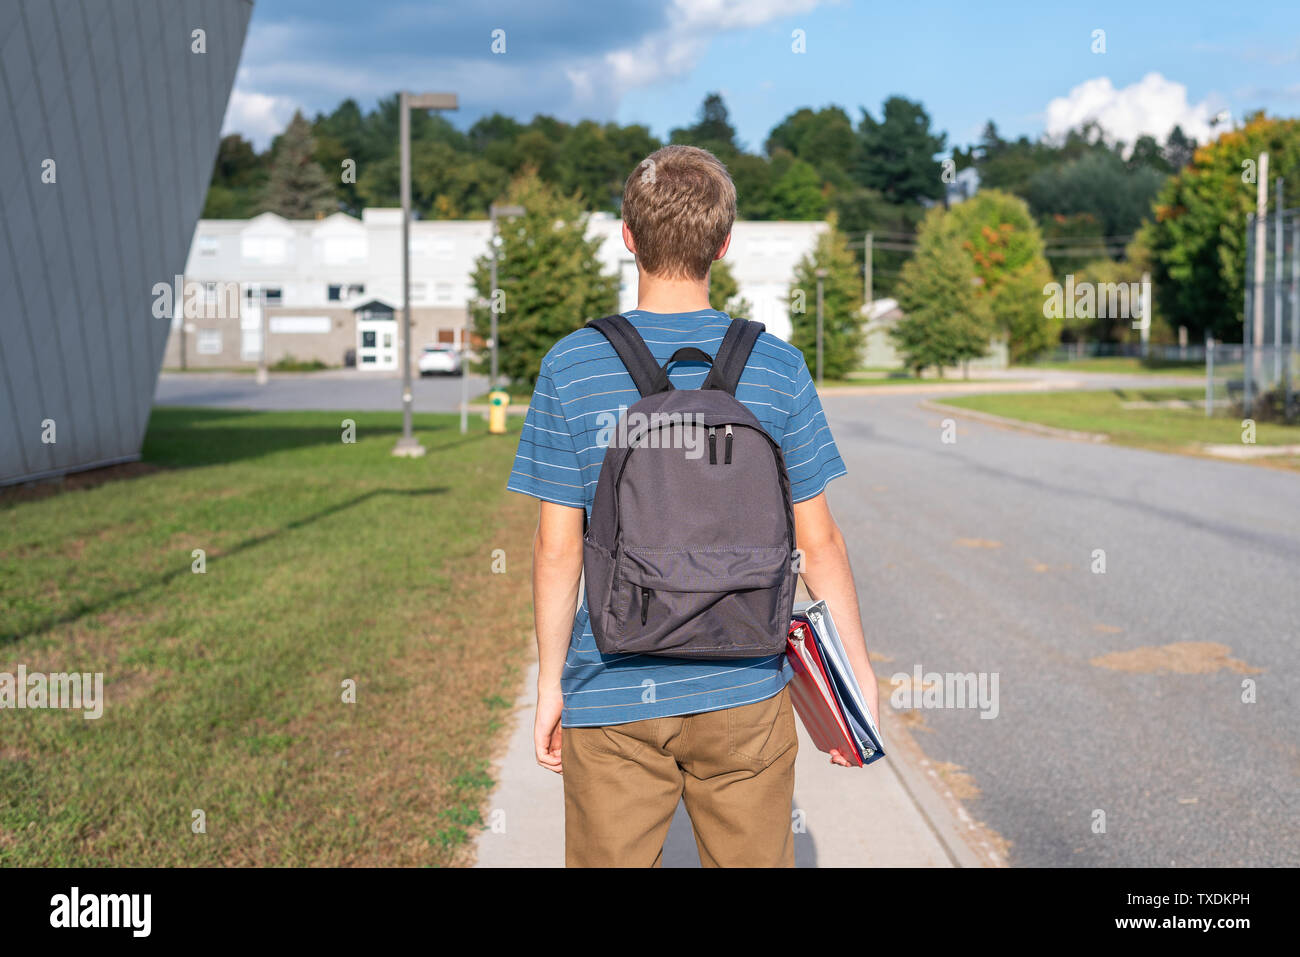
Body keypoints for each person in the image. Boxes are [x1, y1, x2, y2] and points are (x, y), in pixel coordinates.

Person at [506, 144, 879, 867]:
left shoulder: (572, 365)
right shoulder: (776, 366)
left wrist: (551, 683)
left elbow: (556, 548)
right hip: (745, 687)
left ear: (627, 234)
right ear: (723, 243)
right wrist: (854, 673)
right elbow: (820, 541)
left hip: (613, 689)